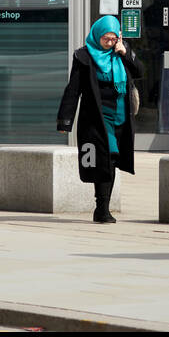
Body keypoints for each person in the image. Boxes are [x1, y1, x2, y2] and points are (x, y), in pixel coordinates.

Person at [57, 15, 143, 223]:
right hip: (97, 117)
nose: (110, 43)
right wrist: (65, 121)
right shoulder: (84, 56)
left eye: (114, 39)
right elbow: (73, 89)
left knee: (113, 160)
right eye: (106, 39)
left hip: (121, 116)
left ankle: (102, 208)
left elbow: (140, 71)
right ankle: (102, 207)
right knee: (106, 159)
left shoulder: (121, 52)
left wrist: (126, 53)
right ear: (97, 35)